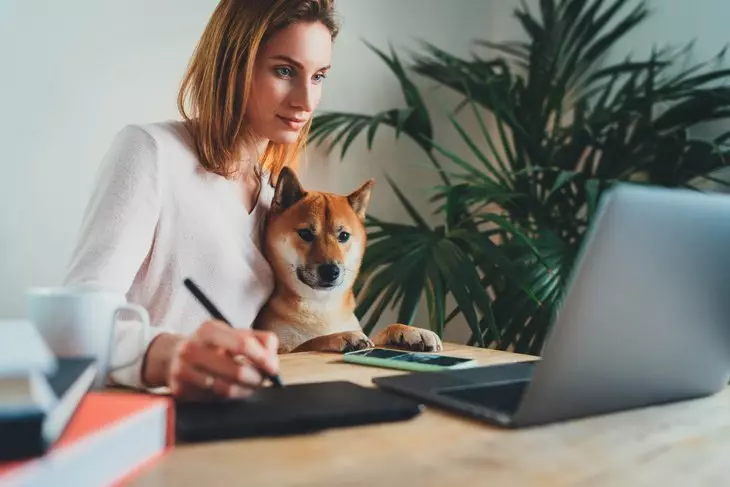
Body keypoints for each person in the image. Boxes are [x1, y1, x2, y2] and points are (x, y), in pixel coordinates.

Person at [63, 0, 339, 400]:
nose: (306, 101)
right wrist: (161, 355)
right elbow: (75, 315)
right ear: (233, 64)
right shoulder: (152, 151)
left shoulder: (271, 199)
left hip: (224, 416)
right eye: (284, 71)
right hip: (136, 417)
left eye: (319, 76)